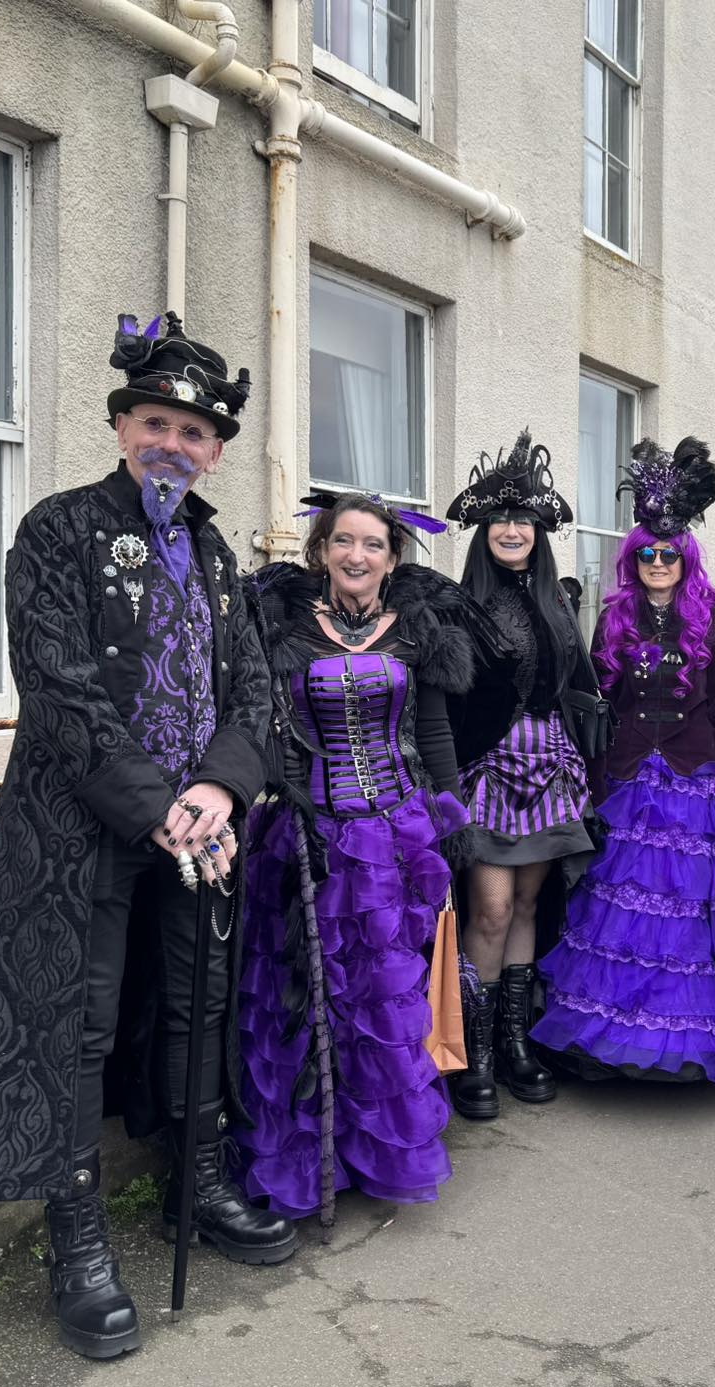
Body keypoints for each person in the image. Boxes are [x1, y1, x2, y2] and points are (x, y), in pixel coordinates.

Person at [0, 313, 297, 1360]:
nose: (172, 443)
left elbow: (254, 692)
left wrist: (220, 792)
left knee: (198, 1005)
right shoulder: (56, 530)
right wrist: (164, 805)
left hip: (200, 831)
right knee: (77, 1027)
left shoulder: (222, 558)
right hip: (80, 830)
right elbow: (61, 694)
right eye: (153, 421)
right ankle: (77, 1241)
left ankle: (199, 1185)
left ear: (216, 448)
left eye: (193, 430)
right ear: (122, 425)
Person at [234, 491, 495, 1221]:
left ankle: (373, 1151)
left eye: (373, 544)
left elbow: (435, 732)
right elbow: (261, 725)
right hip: (309, 834)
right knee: (308, 998)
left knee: (381, 1002)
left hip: (393, 837)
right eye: (343, 541)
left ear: (393, 556)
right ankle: (311, 1152)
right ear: (320, 551)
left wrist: (451, 819)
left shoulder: (415, 632)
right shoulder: (283, 629)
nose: (357, 556)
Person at [531, 438, 715, 1084]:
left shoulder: (713, 620)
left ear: (686, 557)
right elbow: (598, 706)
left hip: (691, 786)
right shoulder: (614, 617)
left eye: (670, 553)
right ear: (633, 556)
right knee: (621, 911)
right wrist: (591, 783)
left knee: (682, 917)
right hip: (626, 781)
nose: (659, 563)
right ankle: (612, 1044)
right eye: (647, 552)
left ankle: (677, 1049)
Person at [444, 430, 599, 1119]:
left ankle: (514, 1042)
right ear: (483, 532)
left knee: (531, 908)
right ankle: (474, 1053)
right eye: (500, 521)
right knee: (492, 908)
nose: (512, 529)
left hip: (550, 766)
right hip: (486, 769)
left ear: (539, 533)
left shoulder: (559, 602)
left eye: (524, 521)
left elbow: (579, 684)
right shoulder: (456, 604)